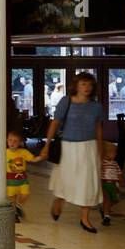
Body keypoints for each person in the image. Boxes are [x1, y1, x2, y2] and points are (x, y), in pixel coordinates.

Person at [44, 71, 106, 233]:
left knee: (88, 182)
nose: (87, 87)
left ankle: (84, 218)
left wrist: (101, 150)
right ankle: (59, 201)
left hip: (89, 147)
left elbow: (99, 129)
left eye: (90, 84)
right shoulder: (66, 102)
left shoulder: (96, 106)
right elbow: (55, 123)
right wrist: (47, 144)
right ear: (76, 86)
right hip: (68, 147)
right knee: (66, 179)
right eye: (83, 84)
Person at [6, 129, 48, 223]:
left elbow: (33, 159)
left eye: (15, 141)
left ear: (20, 142)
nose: (12, 143)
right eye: (10, 140)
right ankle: (14, 214)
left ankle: (18, 205)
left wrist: (41, 157)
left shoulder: (23, 152)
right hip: (11, 180)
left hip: (22, 179)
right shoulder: (5, 153)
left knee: (25, 194)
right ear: (7, 140)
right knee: (12, 198)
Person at [100, 140, 122, 225]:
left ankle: (104, 210)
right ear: (106, 153)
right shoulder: (102, 164)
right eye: (114, 152)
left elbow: (119, 173)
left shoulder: (115, 164)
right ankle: (107, 217)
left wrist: (120, 181)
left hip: (113, 184)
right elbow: (100, 174)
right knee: (107, 199)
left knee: (113, 200)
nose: (116, 154)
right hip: (105, 184)